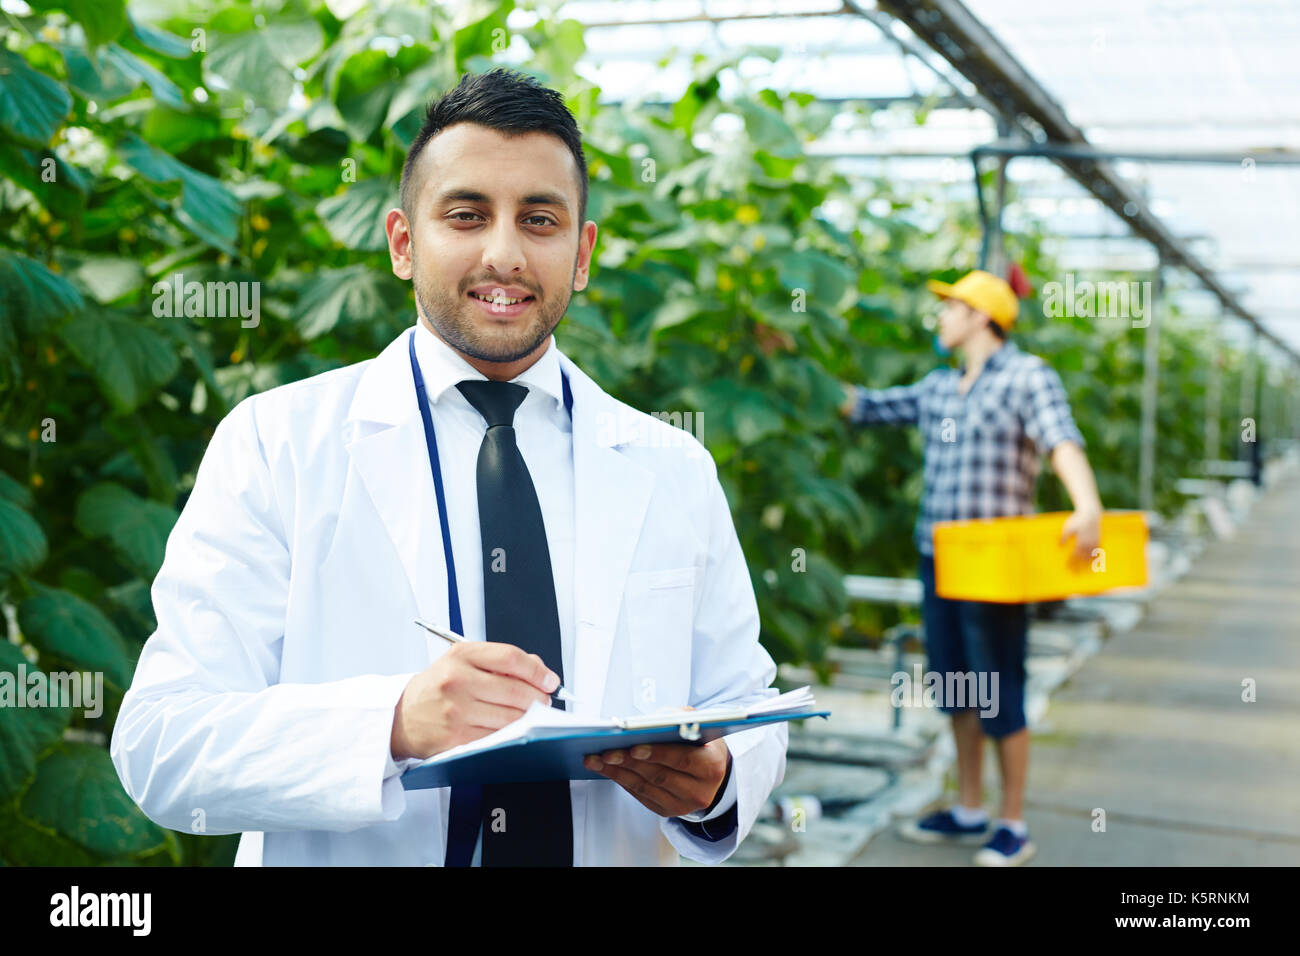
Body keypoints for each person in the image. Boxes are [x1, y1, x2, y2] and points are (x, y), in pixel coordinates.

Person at [111, 68, 787, 867]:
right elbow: (163, 744)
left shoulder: (673, 467)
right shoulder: (277, 443)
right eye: (466, 215)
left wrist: (716, 787)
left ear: (582, 253)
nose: (503, 254)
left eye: (540, 219)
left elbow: (748, 704)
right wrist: (392, 722)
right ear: (404, 242)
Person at [837, 268, 1103, 866]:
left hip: (997, 568)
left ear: (981, 316)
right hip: (940, 560)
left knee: (1000, 690)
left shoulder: (1026, 377)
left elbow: (1061, 439)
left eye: (950, 308)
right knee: (957, 686)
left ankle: (1012, 823)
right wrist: (793, 358)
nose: (940, 318)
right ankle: (969, 808)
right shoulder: (939, 389)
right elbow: (865, 407)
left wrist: (1087, 504)